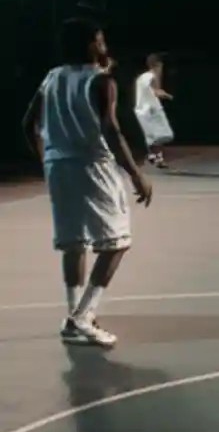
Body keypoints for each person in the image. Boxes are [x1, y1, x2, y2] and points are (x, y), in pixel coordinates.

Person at [21, 18, 153, 348]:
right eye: (99, 39)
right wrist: (136, 174)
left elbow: (28, 123)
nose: (104, 43)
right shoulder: (101, 81)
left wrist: (47, 159)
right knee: (116, 243)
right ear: (90, 44)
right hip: (92, 165)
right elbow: (111, 129)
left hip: (58, 166)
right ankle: (82, 316)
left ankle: (74, 318)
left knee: (74, 243)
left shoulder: (52, 77)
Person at [134, 53, 175, 169]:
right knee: (162, 134)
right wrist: (167, 95)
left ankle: (154, 156)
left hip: (141, 110)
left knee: (152, 136)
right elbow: (156, 91)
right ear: (157, 65)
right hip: (152, 110)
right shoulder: (152, 76)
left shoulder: (141, 77)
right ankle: (156, 157)